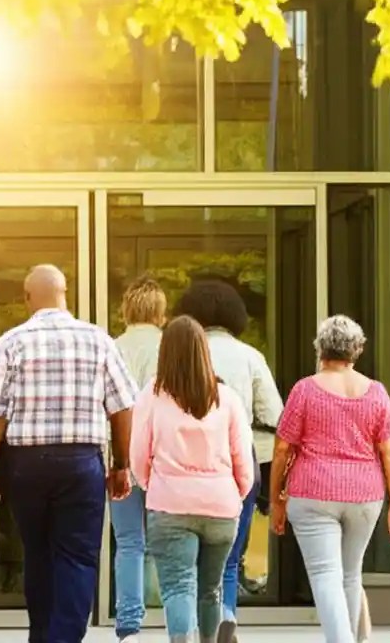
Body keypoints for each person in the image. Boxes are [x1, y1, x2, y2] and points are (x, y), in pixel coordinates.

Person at [0, 264, 139, 643]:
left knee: (37, 553)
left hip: (26, 465)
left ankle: (42, 635)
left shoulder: (11, 342)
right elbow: (122, 407)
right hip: (82, 463)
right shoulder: (99, 340)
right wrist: (121, 465)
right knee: (78, 557)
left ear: (27, 298)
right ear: (65, 294)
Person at [269, 315, 390, 643]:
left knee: (325, 574)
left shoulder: (304, 390)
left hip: (312, 493)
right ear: (357, 350)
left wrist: (276, 499)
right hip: (365, 496)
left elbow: (282, 449)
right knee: (349, 574)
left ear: (320, 349)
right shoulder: (376, 393)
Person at [130, 315, 254, 643]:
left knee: (178, 586)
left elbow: (138, 455)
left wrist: (151, 485)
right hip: (221, 507)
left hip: (170, 505)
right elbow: (243, 459)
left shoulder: (152, 395)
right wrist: (236, 493)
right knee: (210, 589)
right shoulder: (226, 398)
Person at [175, 279, 282, 642]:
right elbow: (274, 415)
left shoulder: (181, 353)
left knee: (190, 557)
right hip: (237, 459)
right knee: (230, 556)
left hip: (186, 459)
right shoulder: (250, 356)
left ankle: (193, 626)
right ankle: (226, 614)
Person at [110, 275, 168, 643]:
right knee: (167, 540)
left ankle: (130, 624)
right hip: (161, 457)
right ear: (161, 312)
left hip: (121, 455)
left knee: (129, 541)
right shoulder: (168, 348)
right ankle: (171, 612)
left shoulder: (112, 347)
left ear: (126, 310)